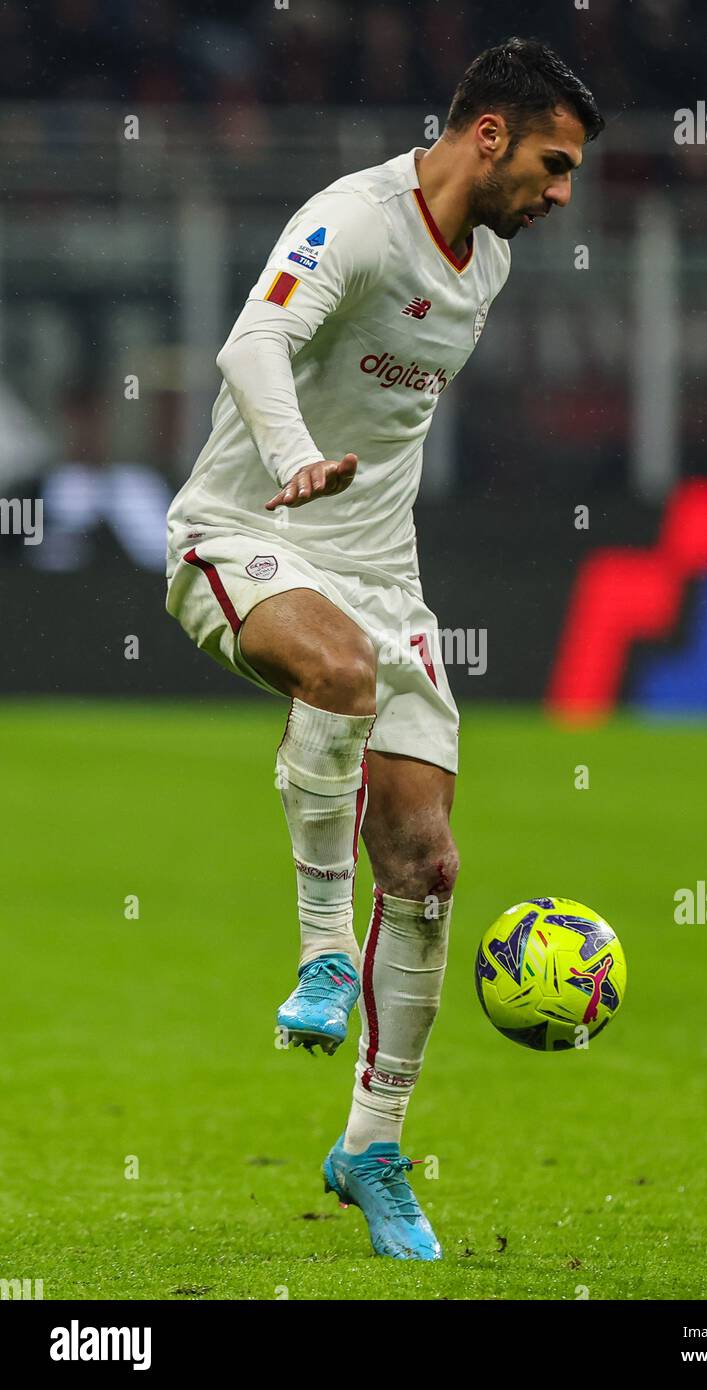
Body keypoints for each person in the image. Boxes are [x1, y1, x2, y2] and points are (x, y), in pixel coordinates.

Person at [165, 35, 603, 1261]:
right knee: (337, 673)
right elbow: (249, 344)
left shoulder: (492, 261)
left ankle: (371, 1144)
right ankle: (315, 953)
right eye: (553, 164)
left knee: (425, 868)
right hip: (246, 527)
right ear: (487, 135)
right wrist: (294, 453)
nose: (560, 194)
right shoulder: (351, 219)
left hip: (379, 571)